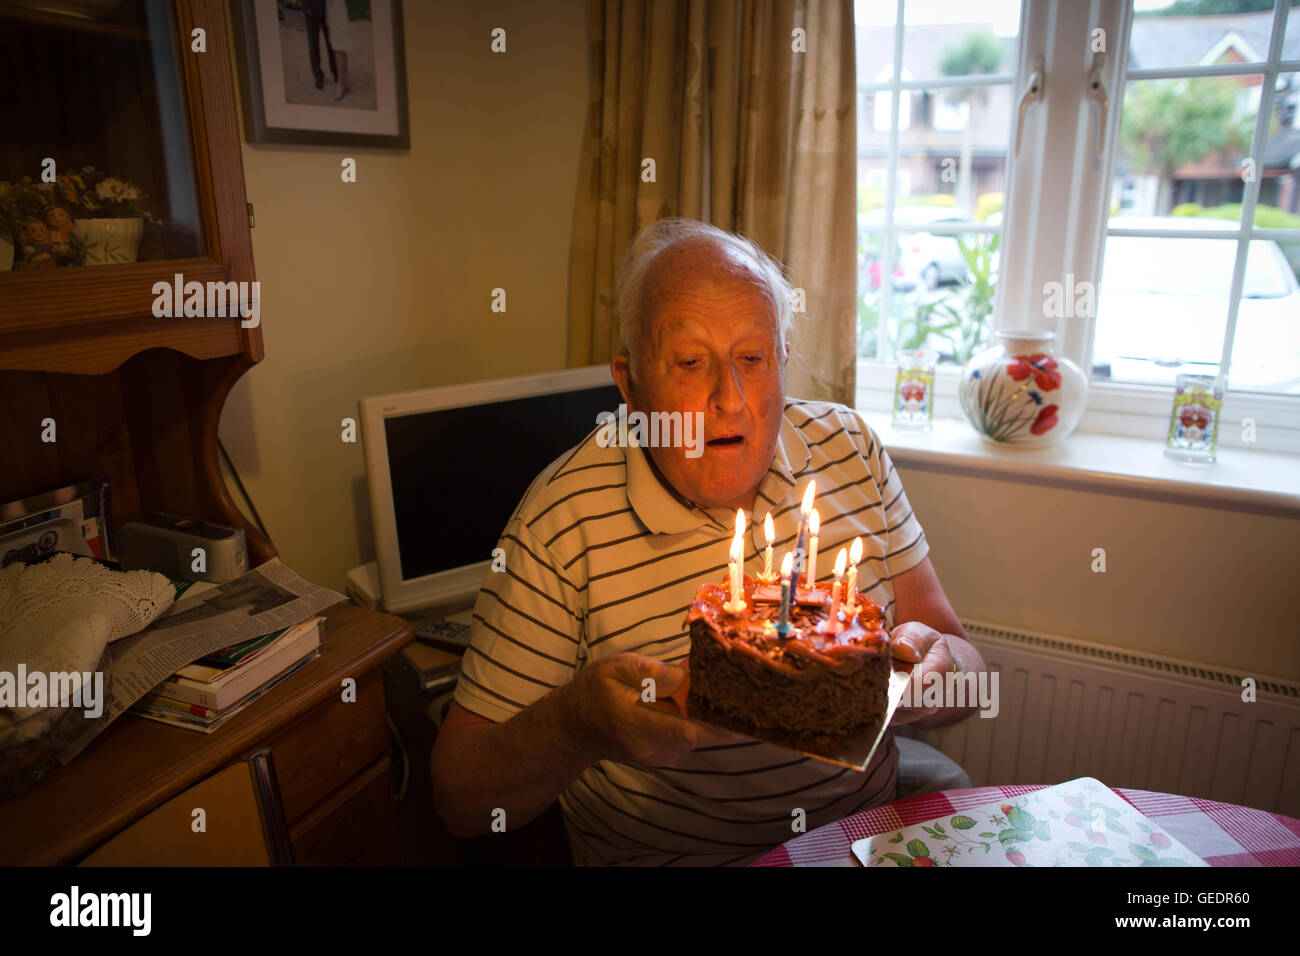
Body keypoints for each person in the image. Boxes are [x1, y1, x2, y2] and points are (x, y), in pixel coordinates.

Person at [431, 218, 986, 865]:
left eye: (753, 357)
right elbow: (460, 802)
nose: (731, 397)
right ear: (630, 384)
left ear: (782, 359)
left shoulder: (850, 447)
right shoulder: (562, 518)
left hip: (864, 844)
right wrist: (576, 724)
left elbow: (966, 668)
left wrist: (936, 681)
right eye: (691, 363)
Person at [302, 0, 337, 92]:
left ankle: (336, 71)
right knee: (313, 44)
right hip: (311, 8)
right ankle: (318, 75)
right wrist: (306, 5)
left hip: (328, 7)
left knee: (332, 42)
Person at [324, 0, 351, 101]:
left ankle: (341, 83)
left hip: (336, 8)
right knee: (340, 46)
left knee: (338, 47)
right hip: (332, 8)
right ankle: (345, 80)